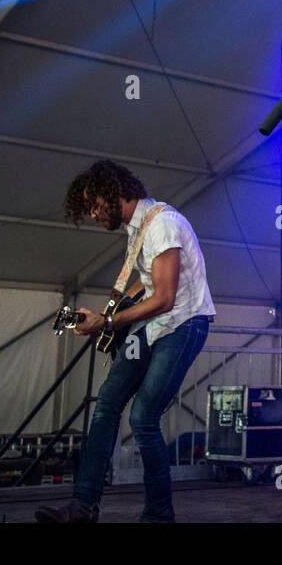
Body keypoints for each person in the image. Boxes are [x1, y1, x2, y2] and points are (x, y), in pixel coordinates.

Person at [35, 160, 215, 523]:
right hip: (154, 326)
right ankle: (83, 508)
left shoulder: (163, 224)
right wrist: (110, 312)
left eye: (95, 203)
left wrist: (110, 321)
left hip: (182, 324)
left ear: (113, 192)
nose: (93, 213)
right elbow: (147, 284)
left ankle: (158, 516)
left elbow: (164, 297)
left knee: (143, 418)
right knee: (106, 406)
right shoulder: (139, 228)